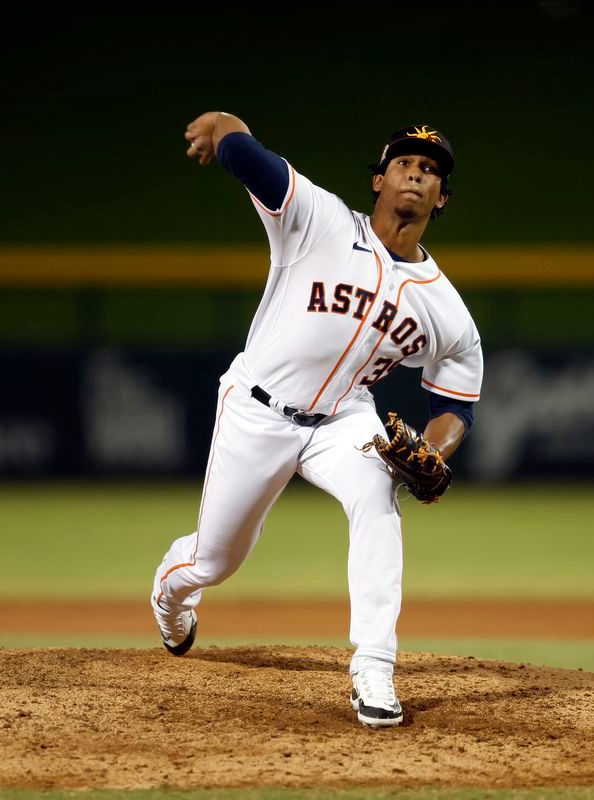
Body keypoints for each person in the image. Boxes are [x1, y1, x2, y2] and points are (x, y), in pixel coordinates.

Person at [151, 111, 483, 728]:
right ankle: (172, 593)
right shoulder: (318, 220)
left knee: (378, 498)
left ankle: (374, 668)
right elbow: (250, 156)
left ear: (442, 198)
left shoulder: (446, 309)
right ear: (379, 180)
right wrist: (222, 124)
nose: (416, 174)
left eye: (430, 170)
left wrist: (435, 451)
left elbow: (455, 405)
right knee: (216, 561)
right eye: (404, 163)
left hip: (343, 420)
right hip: (258, 409)